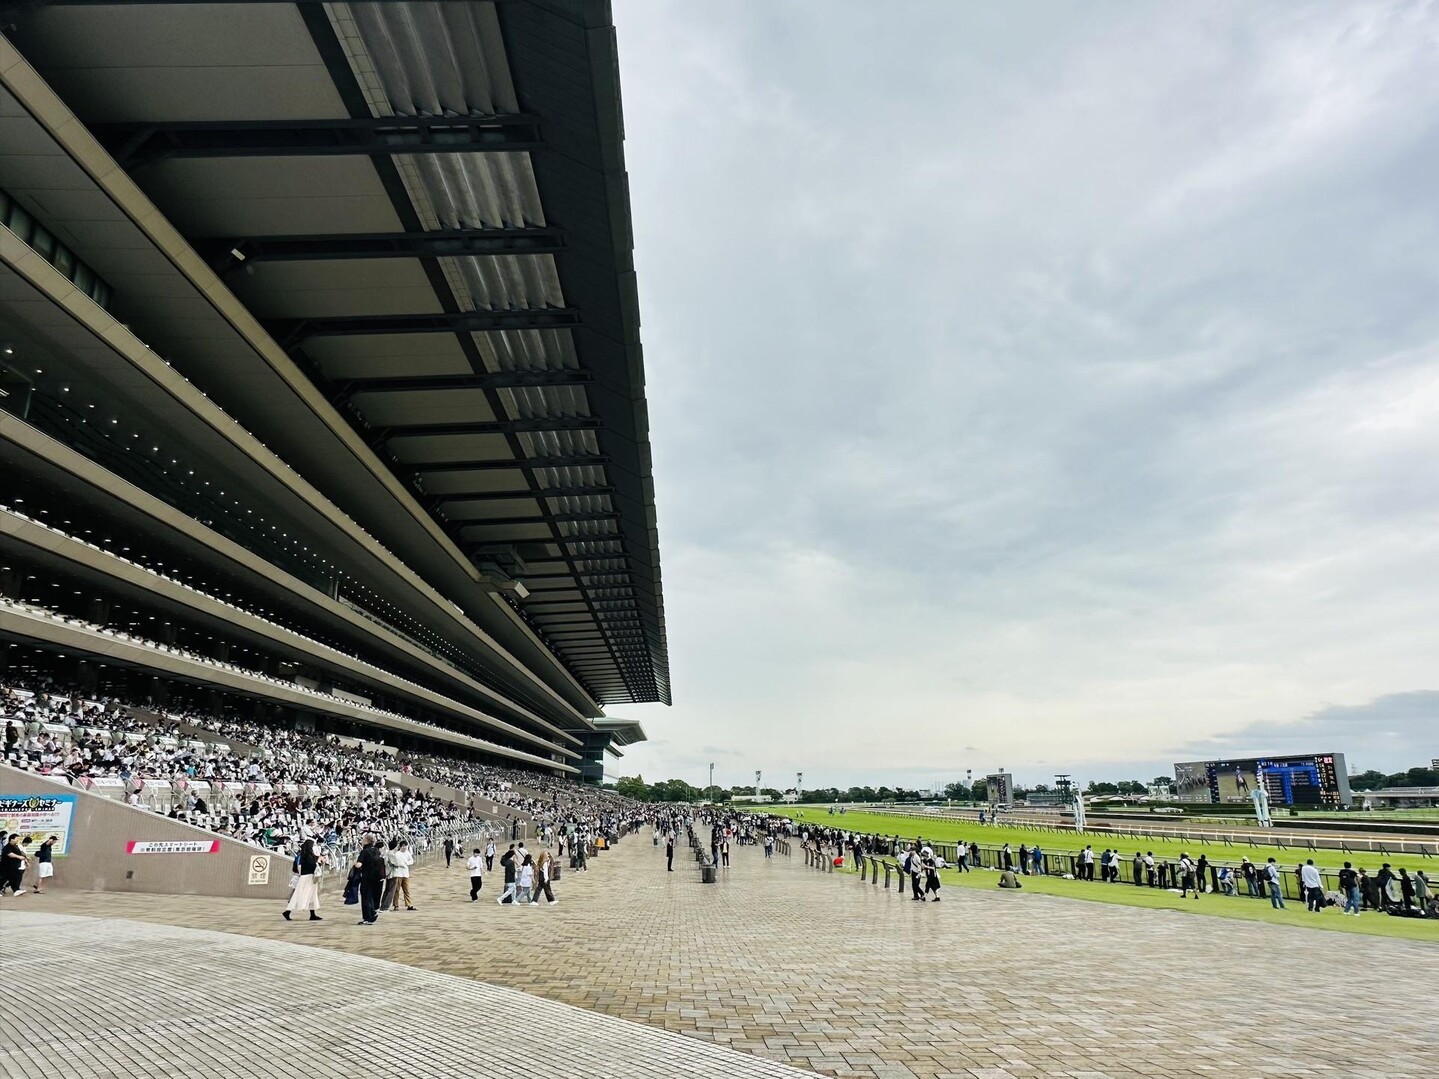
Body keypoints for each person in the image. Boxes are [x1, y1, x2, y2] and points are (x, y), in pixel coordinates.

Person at [283, 838, 325, 922]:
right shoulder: (308, 856)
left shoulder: (303, 855)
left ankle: (312, 914)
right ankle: (287, 912)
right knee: (301, 894)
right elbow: (311, 866)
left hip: (306, 877)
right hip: (307, 878)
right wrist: (319, 863)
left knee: (311, 895)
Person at [354, 835, 385, 925]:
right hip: (376, 877)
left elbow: (358, 865)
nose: (362, 841)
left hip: (367, 877)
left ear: (367, 841)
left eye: (363, 839)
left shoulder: (365, 851)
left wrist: (354, 863)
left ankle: (368, 917)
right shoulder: (376, 850)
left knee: (366, 897)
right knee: (372, 896)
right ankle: (373, 912)